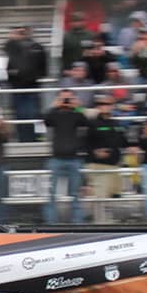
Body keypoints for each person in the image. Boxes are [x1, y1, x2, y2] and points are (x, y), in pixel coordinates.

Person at [43, 90, 87, 224]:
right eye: (64, 99)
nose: (66, 101)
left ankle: (78, 223)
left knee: (75, 194)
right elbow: (45, 121)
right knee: (51, 194)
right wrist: (54, 105)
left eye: (68, 98)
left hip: (74, 159)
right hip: (56, 159)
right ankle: (51, 223)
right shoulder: (55, 114)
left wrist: (78, 106)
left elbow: (85, 122)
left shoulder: (76, 114)